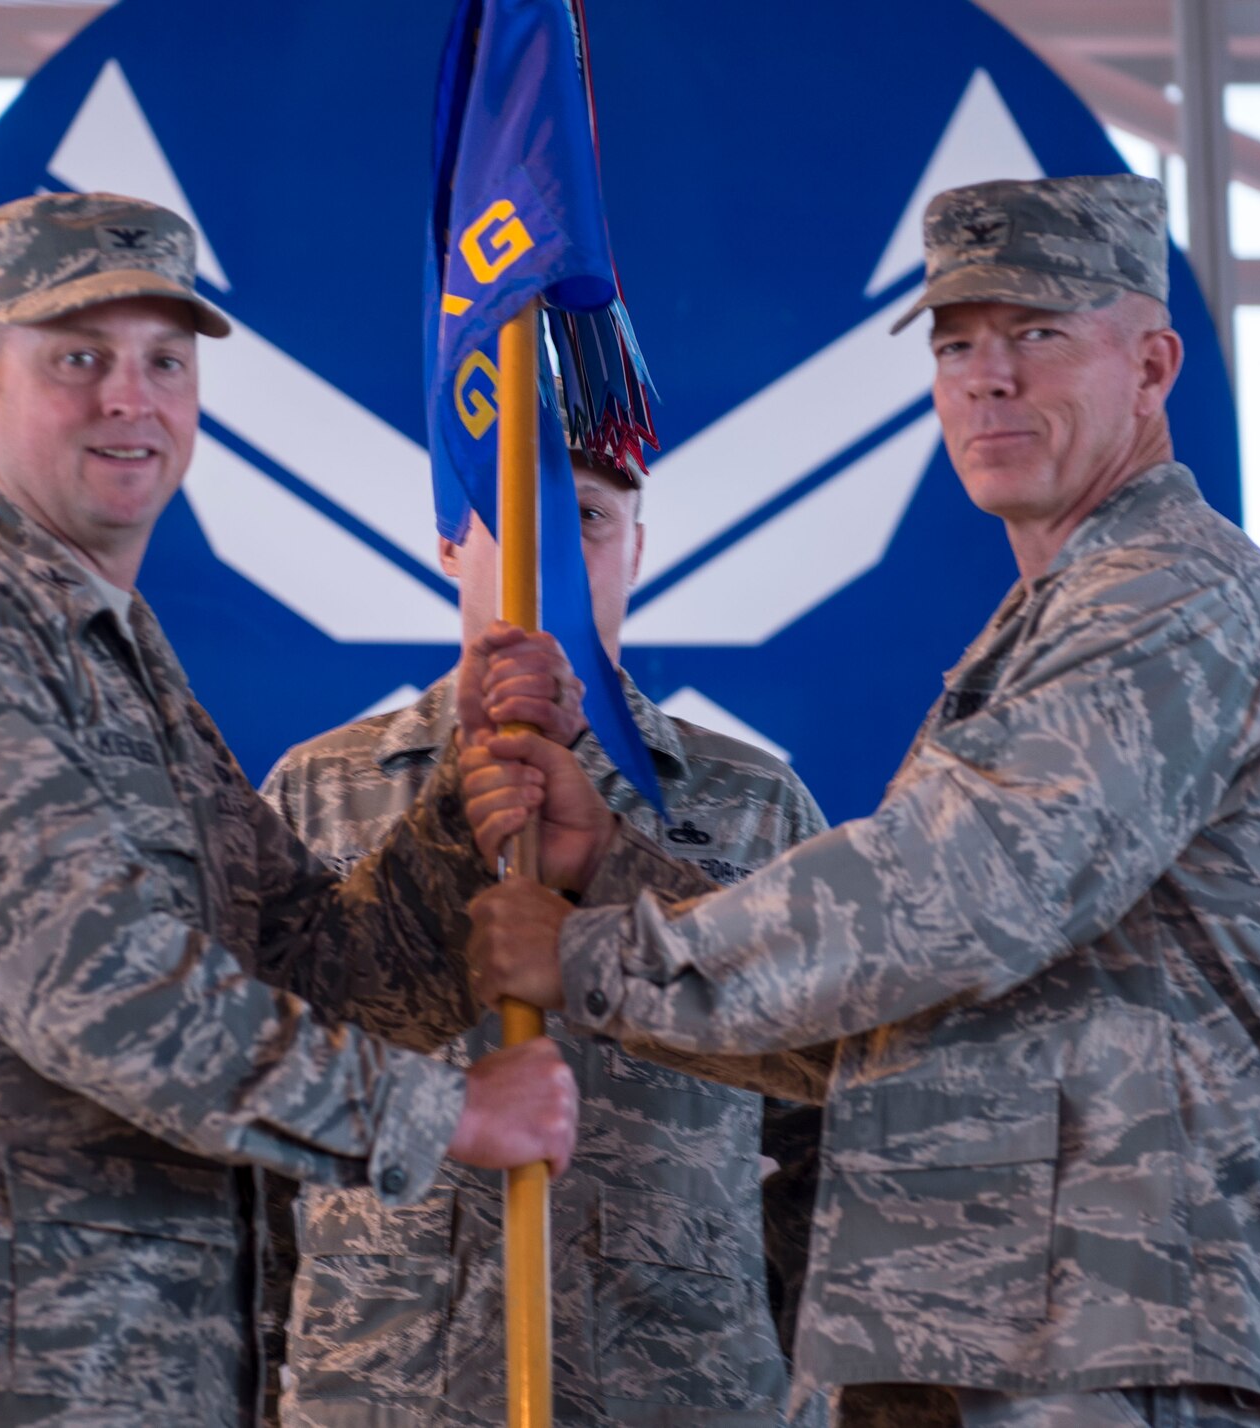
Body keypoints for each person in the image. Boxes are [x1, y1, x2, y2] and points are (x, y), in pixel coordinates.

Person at [459, 175, 1260, 1428]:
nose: (986, 378)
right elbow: (882, 1015)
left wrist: (600, 955)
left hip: (1132, 1333)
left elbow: (956, 898)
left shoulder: (1174, 604)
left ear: (1152, 366)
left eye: (1036, 335)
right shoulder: (1047, 623)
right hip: (994, 1343)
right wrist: (616, 868)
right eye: (956, 344)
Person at [0, 191, 577, 1428]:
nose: (127, 399)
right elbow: (93, 990)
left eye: (163, 362)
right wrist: (445, 1113)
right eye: (77, 359)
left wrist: (467, 817)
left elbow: (313, 966)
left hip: (141, 1374)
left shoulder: (120, 658)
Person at [258, 445, 832, 1427]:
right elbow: (255, 1137)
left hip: (680, 1399)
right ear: (448, 545)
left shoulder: (755, 808)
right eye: (513, 517)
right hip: (378, 1398)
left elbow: (829, 1148)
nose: (554, 554)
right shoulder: (317, 794)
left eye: (591, 520)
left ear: (639, 550)